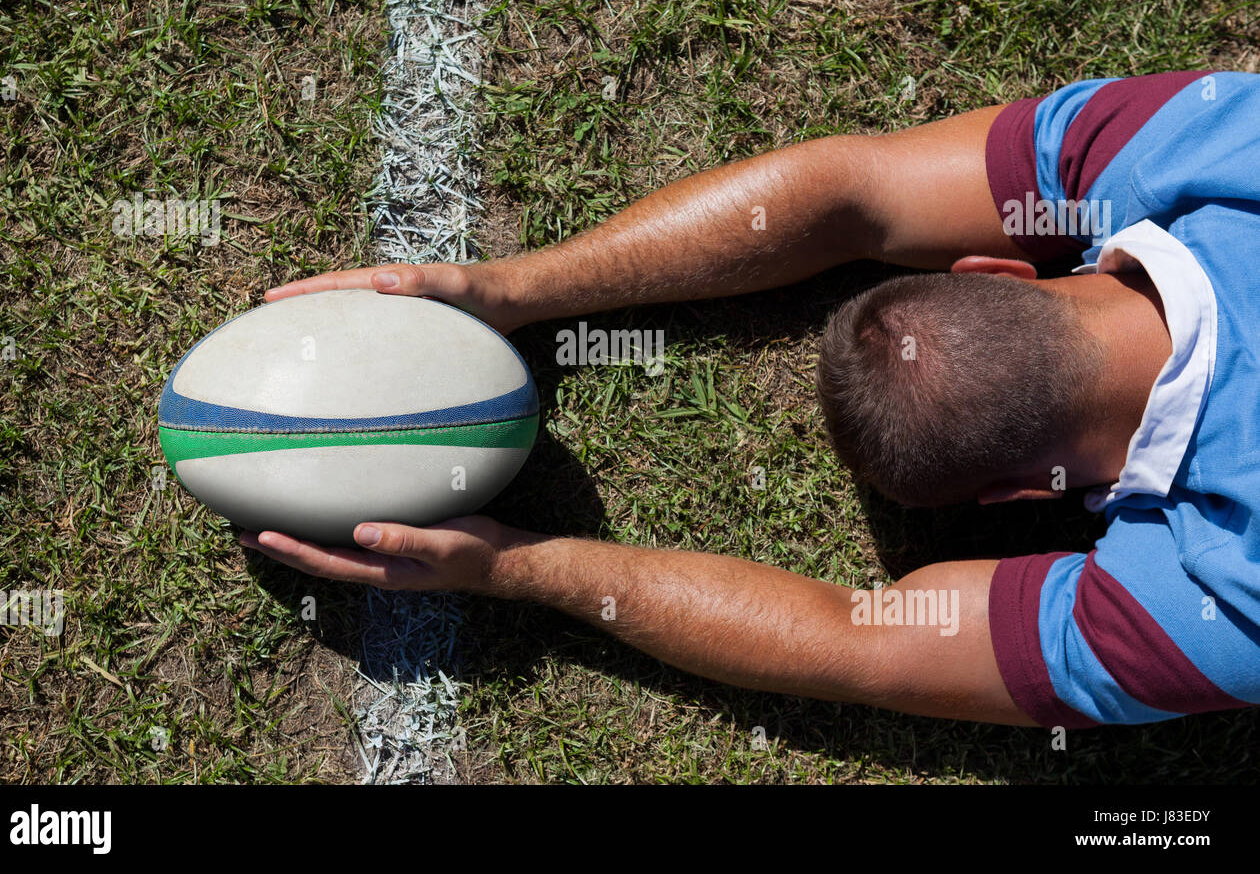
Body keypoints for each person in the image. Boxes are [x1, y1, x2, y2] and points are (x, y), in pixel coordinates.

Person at [242, 69, 1260, 728]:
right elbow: (855, 634)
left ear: (996, 265)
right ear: (999, 268)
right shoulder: (1220, 147)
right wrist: (499, 305)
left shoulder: (1206, 603)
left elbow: (854, 192)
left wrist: (518, 559)